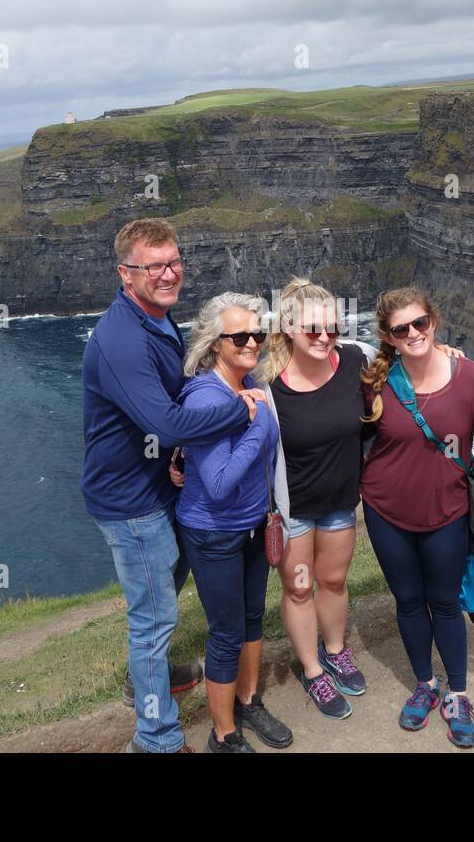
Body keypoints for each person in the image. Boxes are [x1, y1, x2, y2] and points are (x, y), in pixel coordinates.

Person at [81, 219, 259, 754]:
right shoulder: (120, 341)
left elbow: (176, 397)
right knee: (154, 618)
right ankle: (155, 739)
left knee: (165, 595)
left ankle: (147, 679)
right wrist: (237, 410)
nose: (167, 273)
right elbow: (168, 423)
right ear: (125, 273)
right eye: (153, 265)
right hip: (131, 502)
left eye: (173, 261)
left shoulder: (156, 318)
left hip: (158, 486)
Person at [258, 278, 466, 720]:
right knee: (298, 588)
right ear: (288, 330)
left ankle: (335, 650)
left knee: (332, 581)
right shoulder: (269, 386)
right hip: (292, 509)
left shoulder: (356, 359)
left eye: (330, 327)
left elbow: (407, 349)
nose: (322, 336)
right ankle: (313, 672)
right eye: (311, 329)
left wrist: (441, 350)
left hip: (340, 502)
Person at [360, 287, 474, 748]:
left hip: (447, 511)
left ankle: (457, 693)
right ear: (389, 336)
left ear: (433, 322)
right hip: (385, 510)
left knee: (443, 601)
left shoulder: (470, 377)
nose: (414, 333)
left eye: (420, 323)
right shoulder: (376, 382)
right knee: (407, 599)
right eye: (401, 329)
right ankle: (425, 684)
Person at [177, 292, 293, 753]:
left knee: (251, 617)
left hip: (250, 528)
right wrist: (261, 425)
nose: (252, 342)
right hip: (214, 533)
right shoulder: (207, 397)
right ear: (214, 343)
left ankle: (248, 700)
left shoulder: (248, 385)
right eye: (239, 336)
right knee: (225, 631)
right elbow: (220, 483)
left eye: (257, 334)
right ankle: (222, 734)